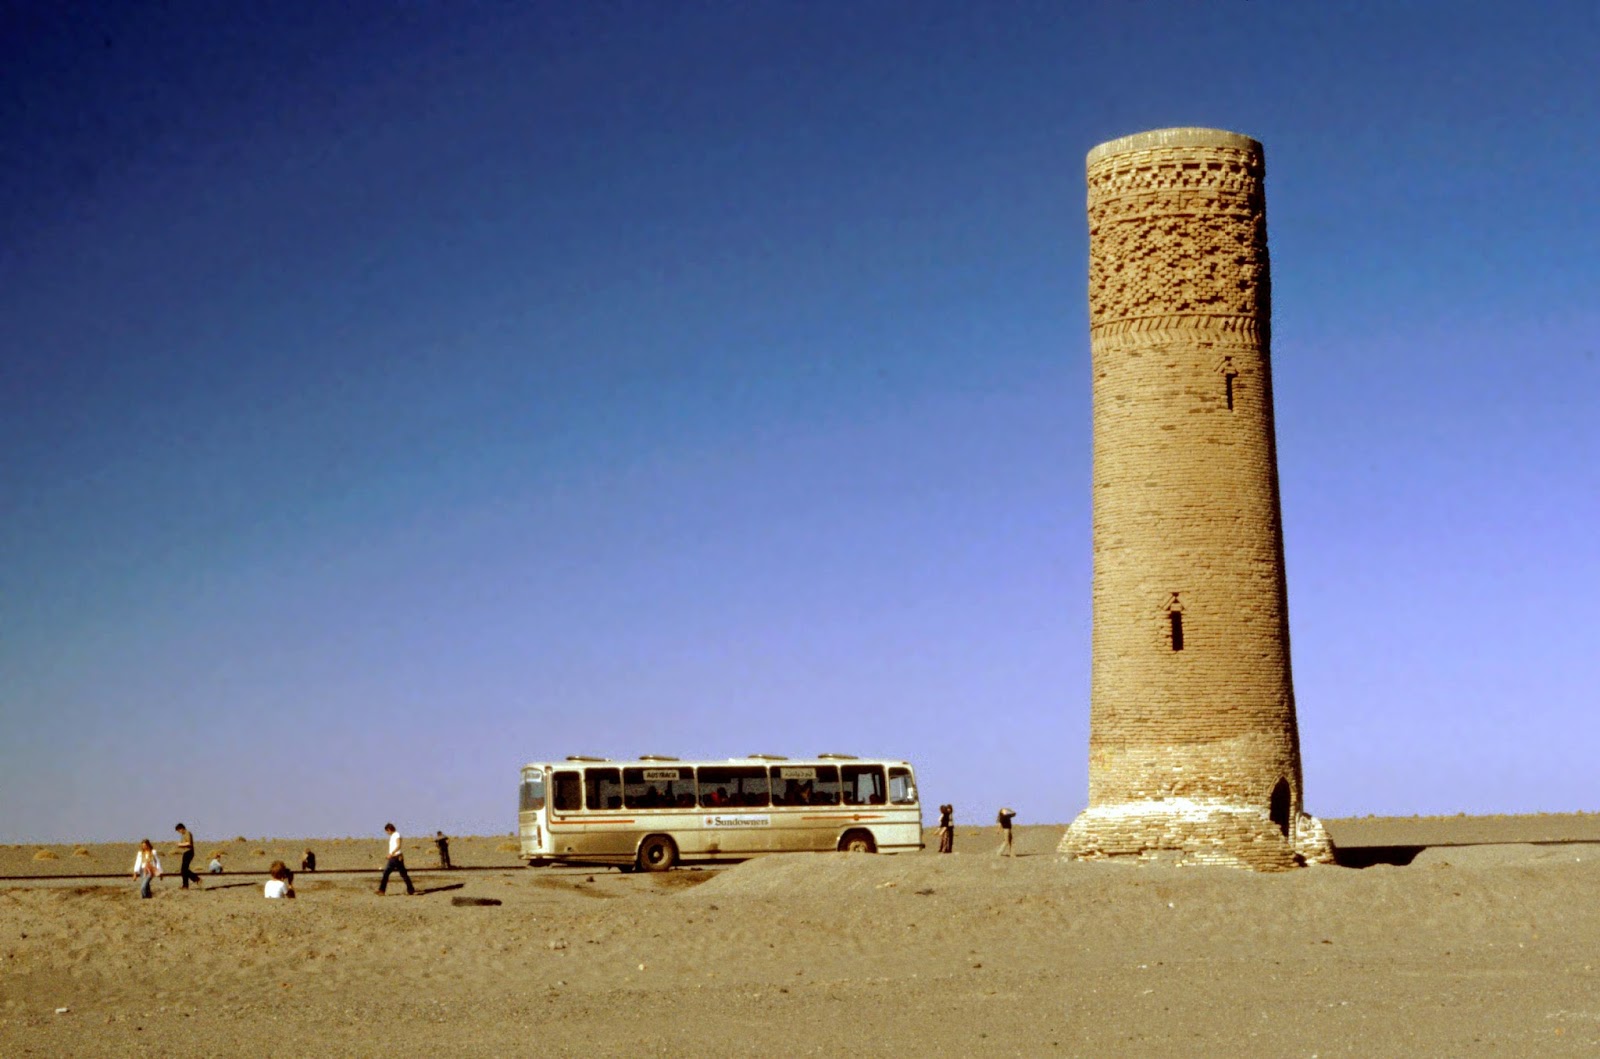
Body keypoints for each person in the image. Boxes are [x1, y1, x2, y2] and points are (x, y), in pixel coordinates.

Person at [377, 823, 415, 896]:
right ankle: (411, 890)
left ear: (389, 829)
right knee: (403, 874)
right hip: (396, 857)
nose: (387, 833)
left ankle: (381, 890)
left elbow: (398, 846)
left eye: (387, 831)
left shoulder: (397, 835)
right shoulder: (393, 836)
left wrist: (391, 854)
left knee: (386, 873)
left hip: (395, 857)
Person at [173, 823, 202, 889]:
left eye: (179, 830)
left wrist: (180, 844)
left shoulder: (187, 833)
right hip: (185, 853)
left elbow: (189, 843)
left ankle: (196, 879)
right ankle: (186, 885)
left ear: (181, 828)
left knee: (184, 869)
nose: (179, 832)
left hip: (189, 852)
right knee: (184, 870)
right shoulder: (183, 835)